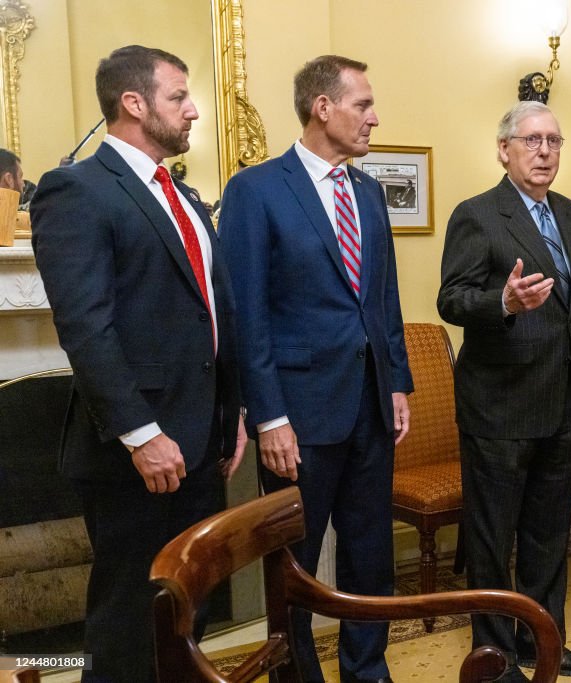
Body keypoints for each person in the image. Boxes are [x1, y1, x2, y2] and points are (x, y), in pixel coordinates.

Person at [30, 45, 246, 683]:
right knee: (128, 625)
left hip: (202, 441)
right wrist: (142, 434)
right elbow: (86, 327)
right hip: (135, 453)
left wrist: (232, 410)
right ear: (134, 103)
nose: (193, 110)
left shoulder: (183, 194)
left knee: (185, 614)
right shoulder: (77, 189)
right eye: (178, 97)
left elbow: (211, 311)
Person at [218, 55, 412, 683]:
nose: (374, 118)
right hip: (298, 417)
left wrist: (397, 383)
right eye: (363, 105)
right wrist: (268, 415)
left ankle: (367, 671)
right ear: (322, 107)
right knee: (294, 564)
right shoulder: (256, 190)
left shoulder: (369, 192)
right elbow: (247, 315)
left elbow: (383, 299)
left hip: (371, 409)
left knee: (370, 558)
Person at [437, 100, 571, 681]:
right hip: (499, 405)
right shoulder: (477, 214)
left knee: (548, 537)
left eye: (553, 140)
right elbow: (452, 300)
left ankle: (540, 642)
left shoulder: (569, 211)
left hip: (561, 404)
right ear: (504, 149)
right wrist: (502, 302)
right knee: (492, 539)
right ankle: (496, 656)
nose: (544, 151)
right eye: (532, 140)